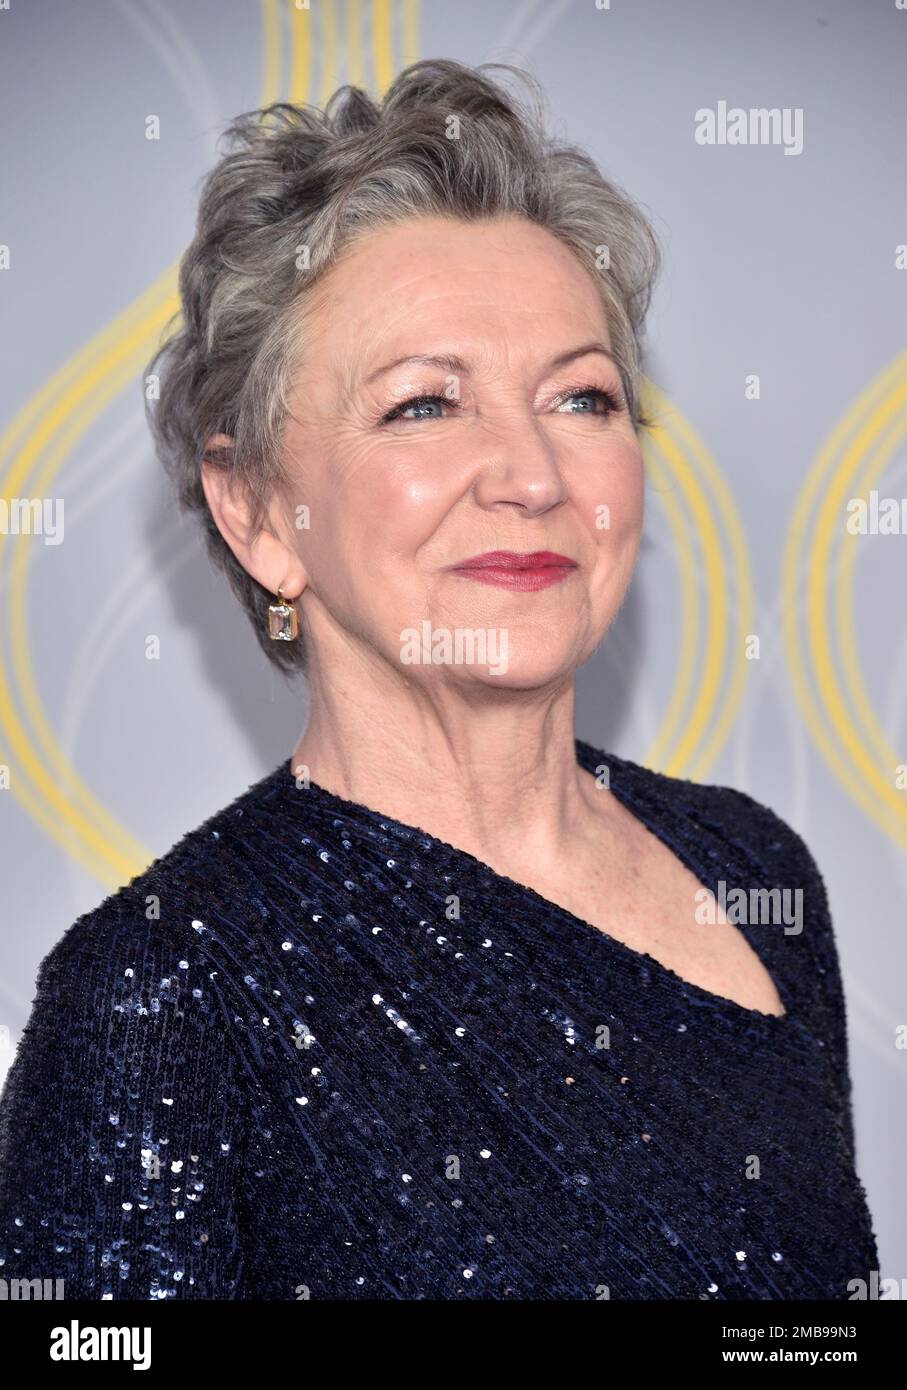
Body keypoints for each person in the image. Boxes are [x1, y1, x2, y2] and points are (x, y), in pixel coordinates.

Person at [0, 58, 877, 1300]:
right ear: (255, 509)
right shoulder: (156, 995)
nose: (529, 473)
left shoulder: (749, 868)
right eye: (423, 406)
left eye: (581, 396)